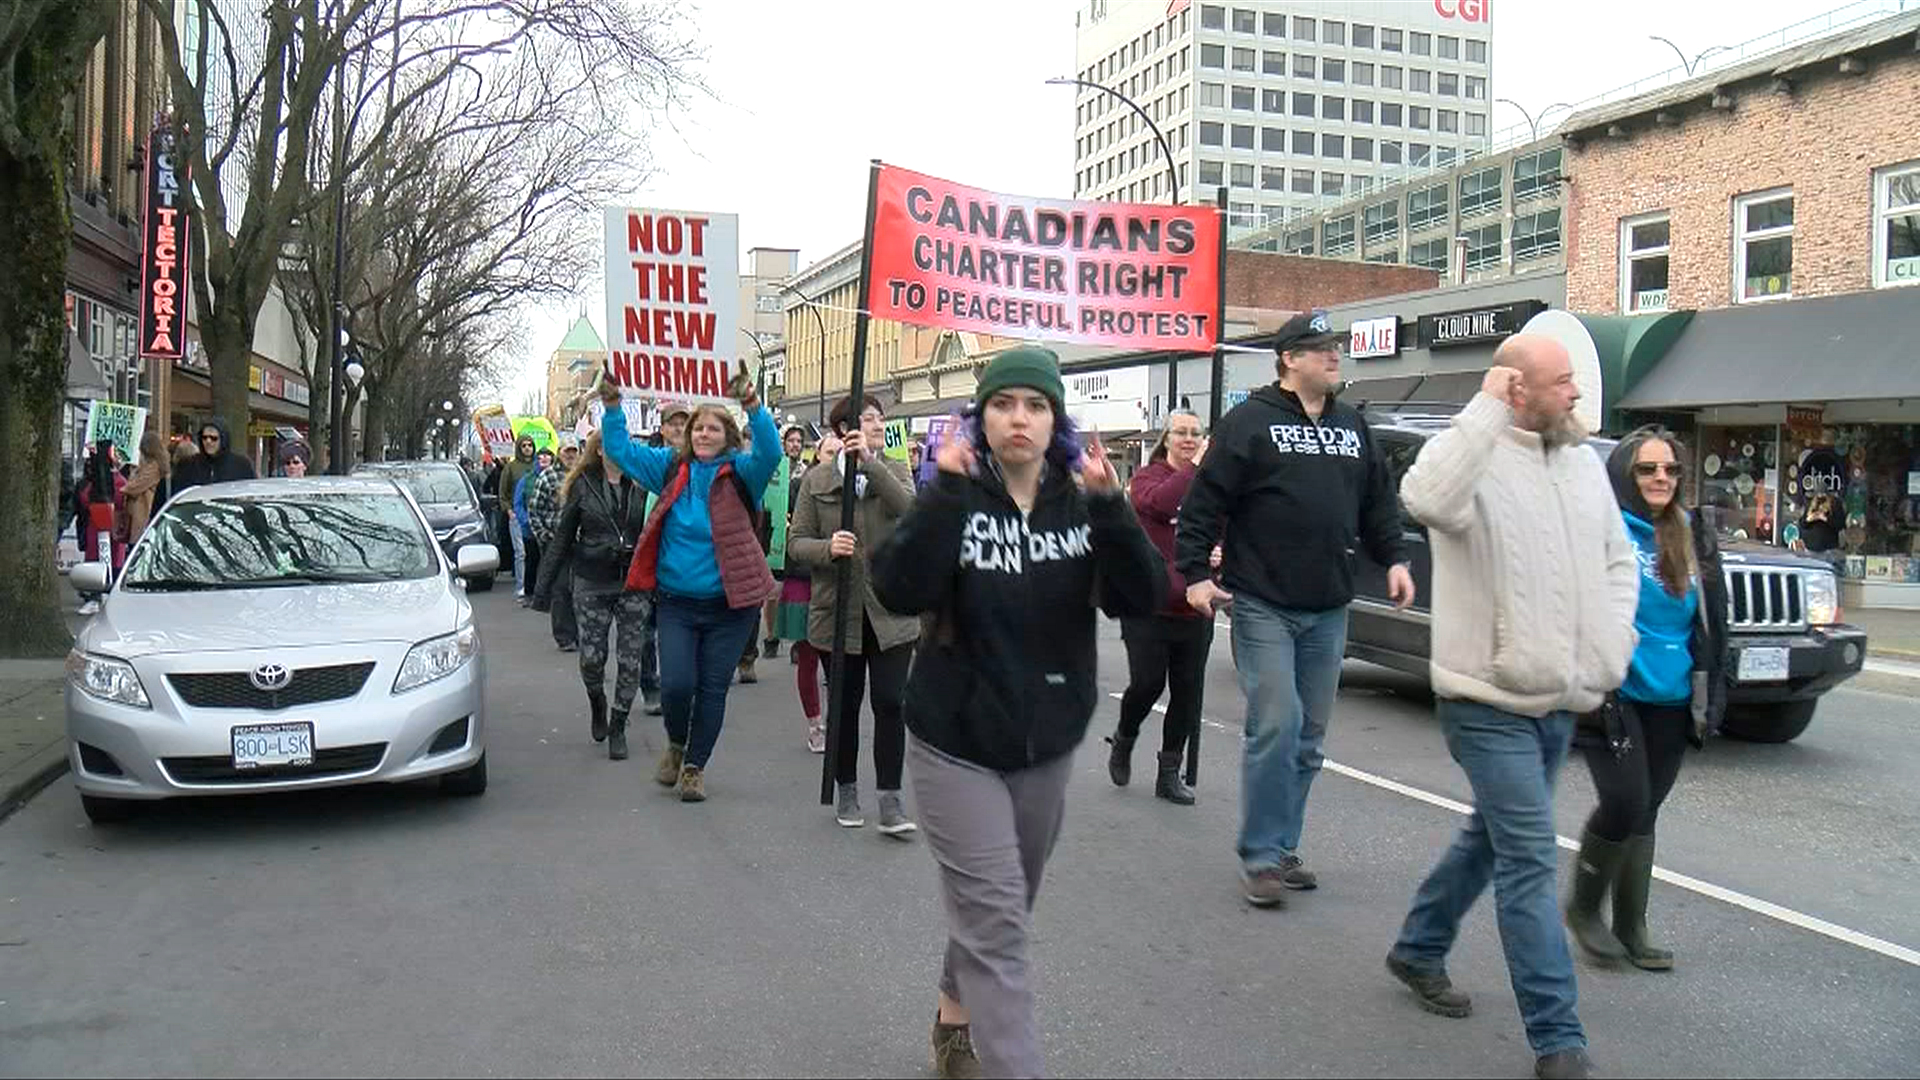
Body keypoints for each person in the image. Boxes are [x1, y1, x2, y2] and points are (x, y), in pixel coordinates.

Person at [870, 346, 1164, 1080]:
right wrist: (942, 495)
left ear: (1055, 418)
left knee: (1004, 901)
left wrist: (1113, 508)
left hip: (1046, 741)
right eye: (1005, 405)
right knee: (997, 922)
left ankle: (952, 1008)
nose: (1020, 419)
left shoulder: (1081, 497)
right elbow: (899, 588)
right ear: (983, 417)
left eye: (1035, 406)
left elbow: (1139, 596)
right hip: (955, 741)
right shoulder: (957, 494)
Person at [1383, 337, 1640, 1080]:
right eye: (1562, 384)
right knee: (1528, 857)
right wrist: (1485, 405)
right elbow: (1425, 496)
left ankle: (1418, 947)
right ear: (1518, 389)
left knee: (1490, 841)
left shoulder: (1583, 463)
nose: (1575, 397)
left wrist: (1611, 646)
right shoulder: (1476, 453)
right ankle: (1558, 1039)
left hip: (1562, 697)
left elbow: (1617, 562)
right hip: (1484, 697)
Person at [1174, 309, 1415, 905]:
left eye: (1335, 347)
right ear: (1289, 359)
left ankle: (1282, 847)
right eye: (1320, 347)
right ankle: (1259, 857)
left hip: (1328, 606)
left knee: (1308, 736)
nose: (1333, 356)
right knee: (1276, 723)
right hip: (1262, 602)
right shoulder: (1249, 423)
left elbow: (1377, 502)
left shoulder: (1352, 427)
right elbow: (1205, 501)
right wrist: (1193, 573)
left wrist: (1395, 559)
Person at [1563, 428, 1728, 972]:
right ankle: (1585, 908)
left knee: (1648, 809)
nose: (1661, 478)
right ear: (1624, 475)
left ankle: (1632, 926)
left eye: (1670, 470)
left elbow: (1711, 623)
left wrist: (1714, 689)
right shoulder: (1601, 529)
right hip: (1614, 690)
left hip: (1674, 693)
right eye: (1647, 469)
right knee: (1626, 800)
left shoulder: (1690, 532)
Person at [597, 367, 779, 802]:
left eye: (714, 428)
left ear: (727, 435)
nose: (704, 434)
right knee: (677, 685)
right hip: (677, 602)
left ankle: (695, 767)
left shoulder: (742, 472)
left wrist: (753, 404)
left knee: (712, 688)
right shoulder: (667, 467)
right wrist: (611, 406)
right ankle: (677, 744)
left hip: (729, 607)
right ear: (688, 434)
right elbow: (620, 449)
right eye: (699, 427)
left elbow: (770, 450)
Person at [789, 394, 920, 834]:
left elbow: (911, 514)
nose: (879, 424)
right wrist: (828, 549)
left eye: (882, 419)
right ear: (845, 429)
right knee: (845, 706)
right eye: (869, 418)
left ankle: (891, 798)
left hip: (890, 610)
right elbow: (798, 541)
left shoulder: (896, 470)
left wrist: (872, 464)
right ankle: (846, 787)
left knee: (891, 702)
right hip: (838, 610)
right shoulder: (818, 479)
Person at [1106, 409, 1214, 807]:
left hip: (1194, 607)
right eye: (1181, 433)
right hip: (1148, 603)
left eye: (1196, 433)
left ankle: (1169, 772)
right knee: (1148, 683)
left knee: (1187, 694)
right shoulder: (1147, 480)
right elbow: (1164, 506)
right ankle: (1125, 736)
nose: (1189, 439)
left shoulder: (1213, 487)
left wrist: (1222, 556)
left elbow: (1227, 530)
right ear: (1165, 439)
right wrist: (1197, 469)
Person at [532, 433, 651, 760]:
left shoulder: (642, 484)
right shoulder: (582, 485)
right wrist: (542, 589)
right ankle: (597, 700)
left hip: (633, 583)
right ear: (599, 450)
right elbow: (562, 539)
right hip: (591, 580)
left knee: (630, 659)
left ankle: (618, 725)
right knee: (592, 658)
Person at [772, 428, 828, 751]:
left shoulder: (857, 492)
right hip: (805, 580)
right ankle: (815, 723)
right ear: (817, 456)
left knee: (837, 662)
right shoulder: (797, 487)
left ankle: (837, 720)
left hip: (840, 584)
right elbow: (790, 538)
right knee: (808, 656)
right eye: (828, 452)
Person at [761, 425, 811, 660]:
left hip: (797, 535)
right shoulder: (774, 470)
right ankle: (771, 635)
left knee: (795, 591)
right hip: (775, 533)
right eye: (791, 441)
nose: (795, 445)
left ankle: (799, 640)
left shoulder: (806, 472)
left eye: (799, 441)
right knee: (773, 591)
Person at [528, 442, 580, 651]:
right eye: (567, 451)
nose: (570, 455)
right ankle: (564, 636)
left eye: (574, 451)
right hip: (555, 541)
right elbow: (534, 510)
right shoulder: (547, 476)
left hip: (580, 542)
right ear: (559, 453)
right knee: (560, 589)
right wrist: (543, 536)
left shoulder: (582, 476)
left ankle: (579, 633)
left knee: (579, 589)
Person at [171, 417, 256, 496]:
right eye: (204, 437)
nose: (208, 441)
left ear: (223, 439)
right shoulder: (188, 465)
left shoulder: (241, 465)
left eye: (213, 438)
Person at [500, 435, 539, 598]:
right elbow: (503, 493)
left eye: (530, 445)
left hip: (537, 517)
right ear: (518, 448)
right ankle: (521, 586)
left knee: (536, 553)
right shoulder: (511, 467)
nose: (527, 448)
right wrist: (509, 511)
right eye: (524, 445)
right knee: (520, 553)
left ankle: (536, 586)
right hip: (517, 515)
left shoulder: (538, 466)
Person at [514, 447, 553, 607]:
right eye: (541, 455)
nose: (544, 458)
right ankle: (529, 594)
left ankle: (547, 595)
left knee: (549, 563)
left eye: (547, 455)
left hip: (550, 530)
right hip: (530, 530)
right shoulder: (527, 479)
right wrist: (526, 520)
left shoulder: (556, 477)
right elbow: (518, 503)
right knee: (532, 561)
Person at [121, 431, 173, 550]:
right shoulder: (151, 465)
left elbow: (134, 487)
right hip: (139, 513)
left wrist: (122, 488)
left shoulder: (154, 467)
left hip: (143, 512)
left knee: (138, 547)